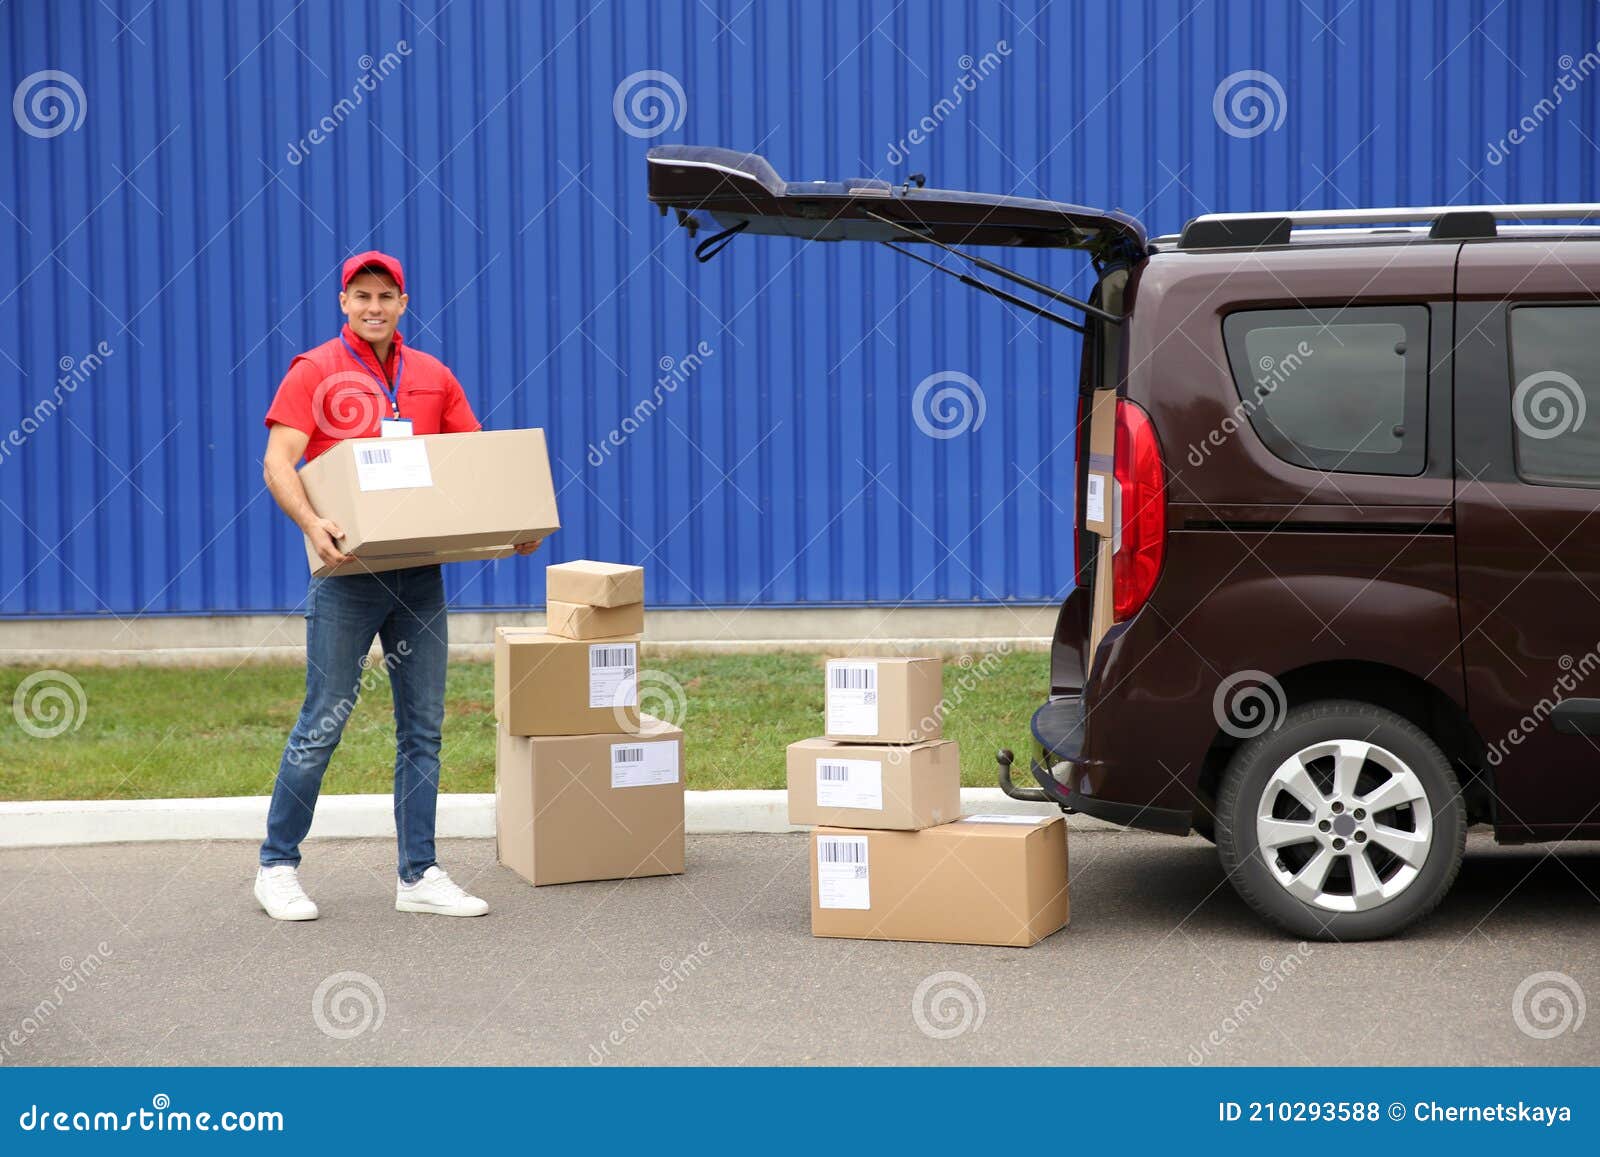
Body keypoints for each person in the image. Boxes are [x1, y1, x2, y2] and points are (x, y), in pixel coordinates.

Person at [254, 250, 538, 921]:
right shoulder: (315, 371)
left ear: (403, 304)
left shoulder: (432, 376)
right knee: (323, 721)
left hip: (418, 575)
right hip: (349, 576)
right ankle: (277, 865)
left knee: (423, 728)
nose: (374, 307)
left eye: (387, 296)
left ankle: (418, 873)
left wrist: (515, 523)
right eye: (362, 295)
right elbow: (277, 460)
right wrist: (311, 520)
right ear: (343, 302)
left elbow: (475, 464)